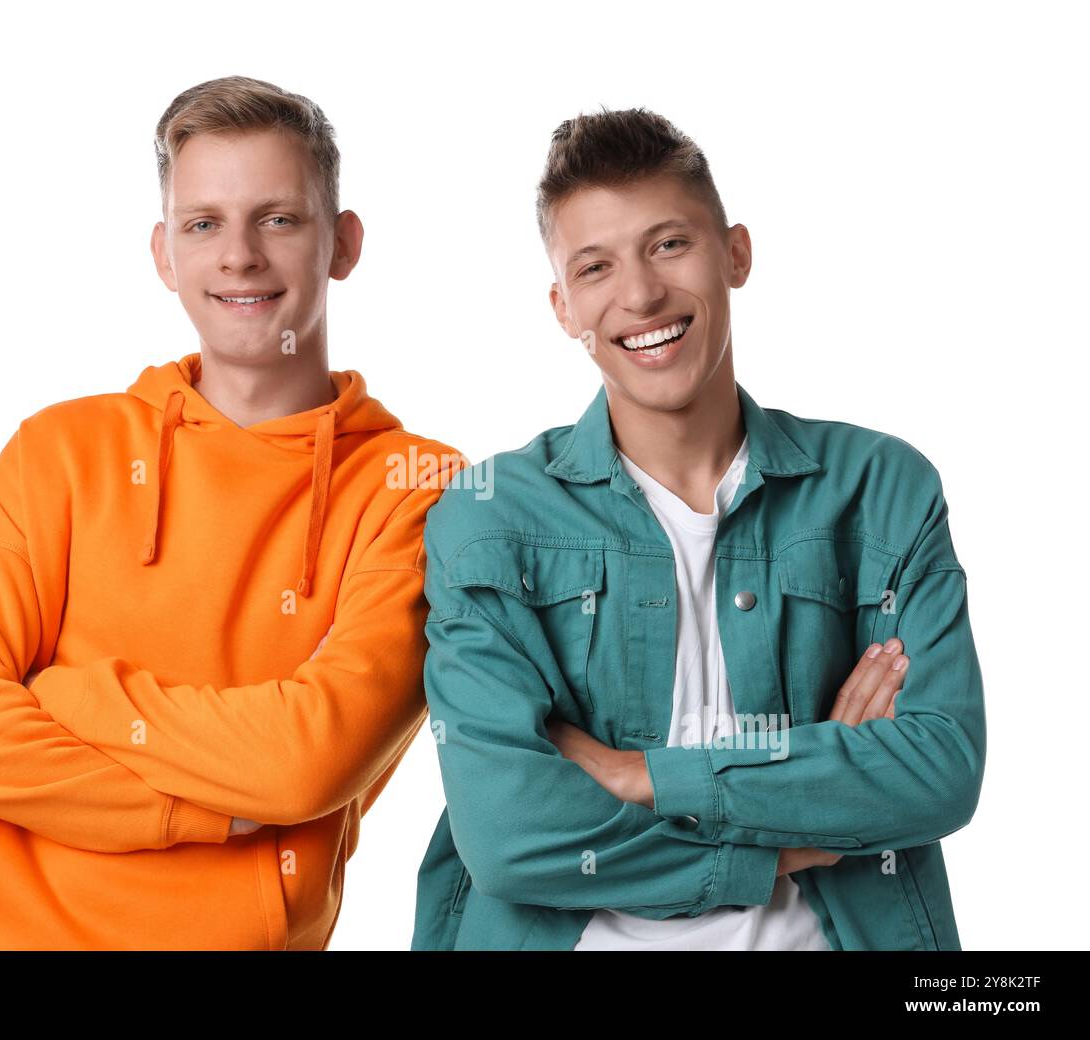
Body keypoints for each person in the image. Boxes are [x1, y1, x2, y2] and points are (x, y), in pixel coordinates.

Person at [0, 75, 463, 950]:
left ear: (342, 243)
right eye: (205, 224)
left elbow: (306, 760)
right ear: (165, 253)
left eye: (278, 218)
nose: (238, 255)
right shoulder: (59, 451)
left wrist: (69, 696)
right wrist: (193, 812)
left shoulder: (416, 487)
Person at [411, 107, 985, 951]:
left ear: (736, 253)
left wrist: (633, 775)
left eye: (669, 244)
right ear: (563, 306)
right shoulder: (490, 515)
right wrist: (792, 835)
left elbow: (939, 773)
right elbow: (507, 837)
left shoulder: (881, 489)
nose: (640, 294)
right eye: (596, 267)